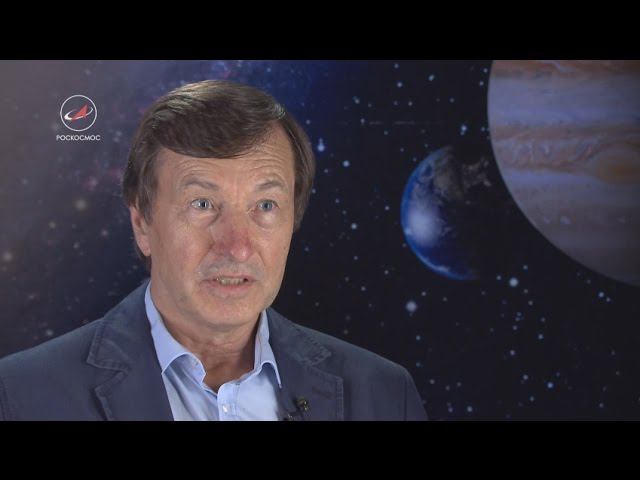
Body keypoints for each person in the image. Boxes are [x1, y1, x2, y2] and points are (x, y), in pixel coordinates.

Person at [0, 80, 427, 421]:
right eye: (202, 204)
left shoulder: (384, 395)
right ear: (142, 223)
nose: (237, 247)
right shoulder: (22, 395)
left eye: (265, 206)